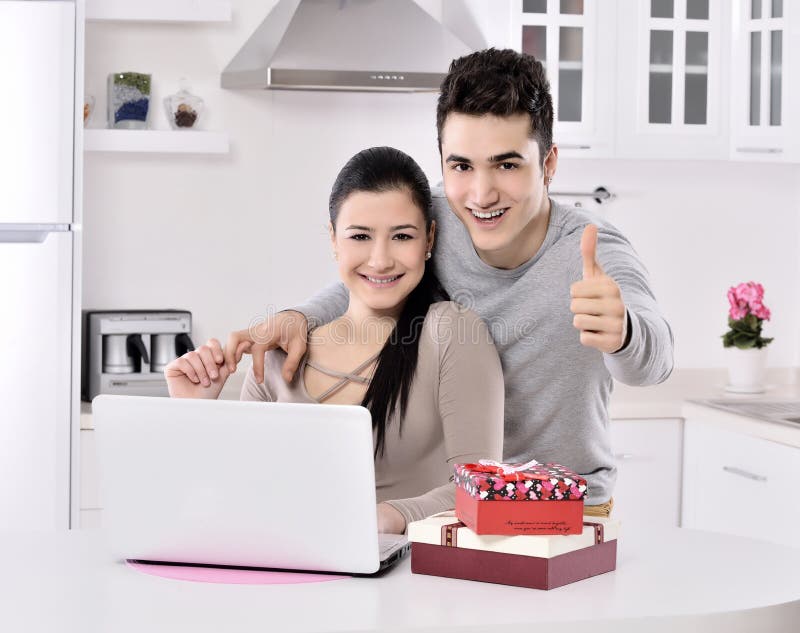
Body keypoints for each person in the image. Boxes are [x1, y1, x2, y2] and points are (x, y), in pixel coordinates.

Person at [223, 49, 674, 518]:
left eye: (507, 165)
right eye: (461, 166)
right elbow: (375, 276)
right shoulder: (437, 217)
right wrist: (299, 316)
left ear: (548, 163)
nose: (481, 194)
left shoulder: (591, 252)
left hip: (559, 511)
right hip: (455, 509)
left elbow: (656, 361)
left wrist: (623, 333)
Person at [165, 146, 504, 534]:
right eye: (360, 236)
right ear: (333, 239)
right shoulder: (278, 356)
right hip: (287, 565)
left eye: (401, 236)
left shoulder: (451, 333)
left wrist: (389, 516)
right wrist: (194, 414)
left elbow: (482, 486)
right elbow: (238, 500)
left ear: (428, 239)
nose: (380, 260)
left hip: (405, 569)